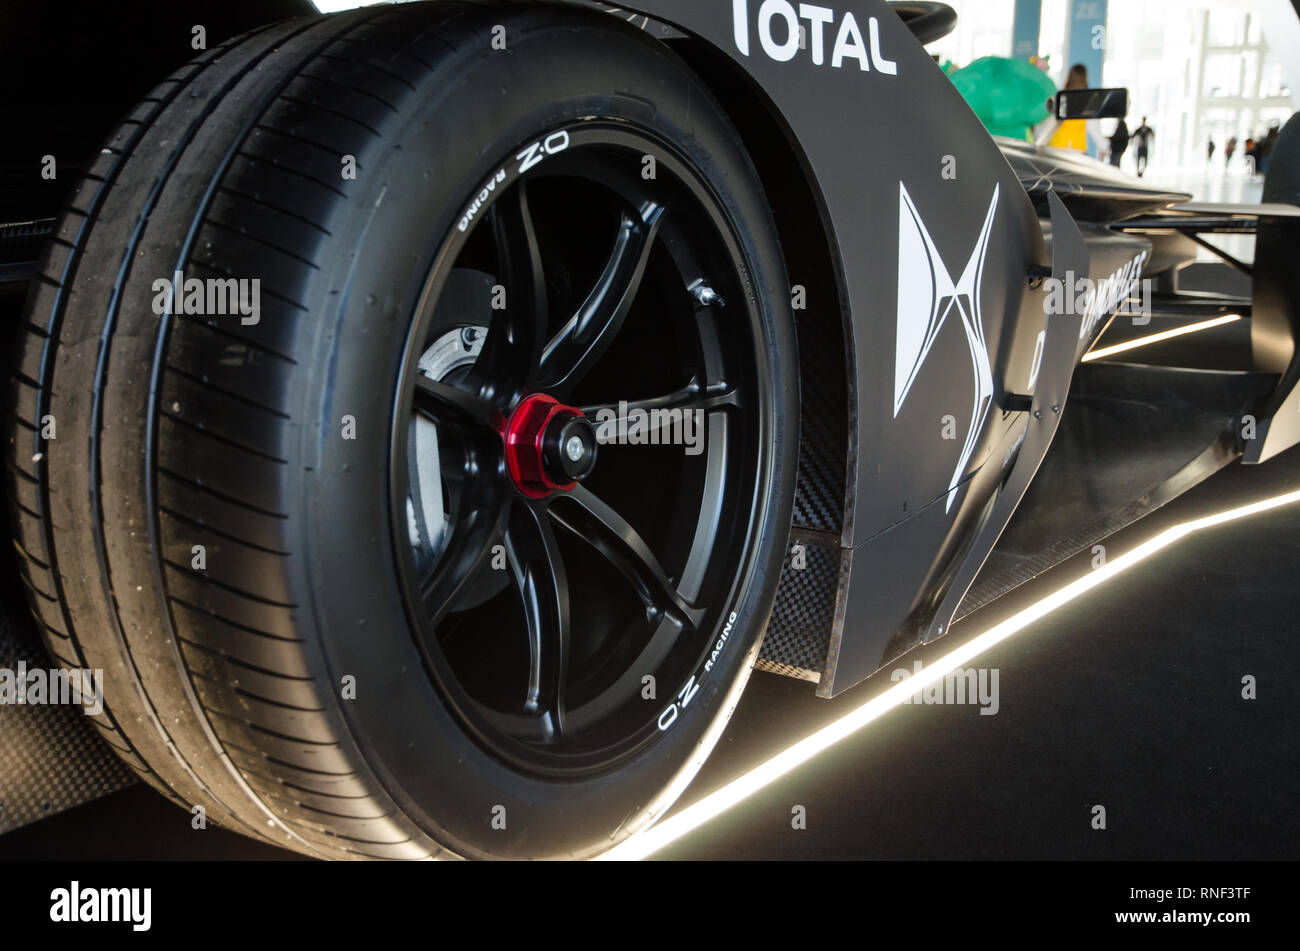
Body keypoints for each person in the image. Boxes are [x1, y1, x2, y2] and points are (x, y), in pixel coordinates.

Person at [1049, 64, 1104, 157]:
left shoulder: (1060, 97)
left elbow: (1050, 123)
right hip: (1076, 151)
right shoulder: (1087, 101)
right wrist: (1103, 147)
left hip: (1056, 148)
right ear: (1085, 78)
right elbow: (1093, 127)